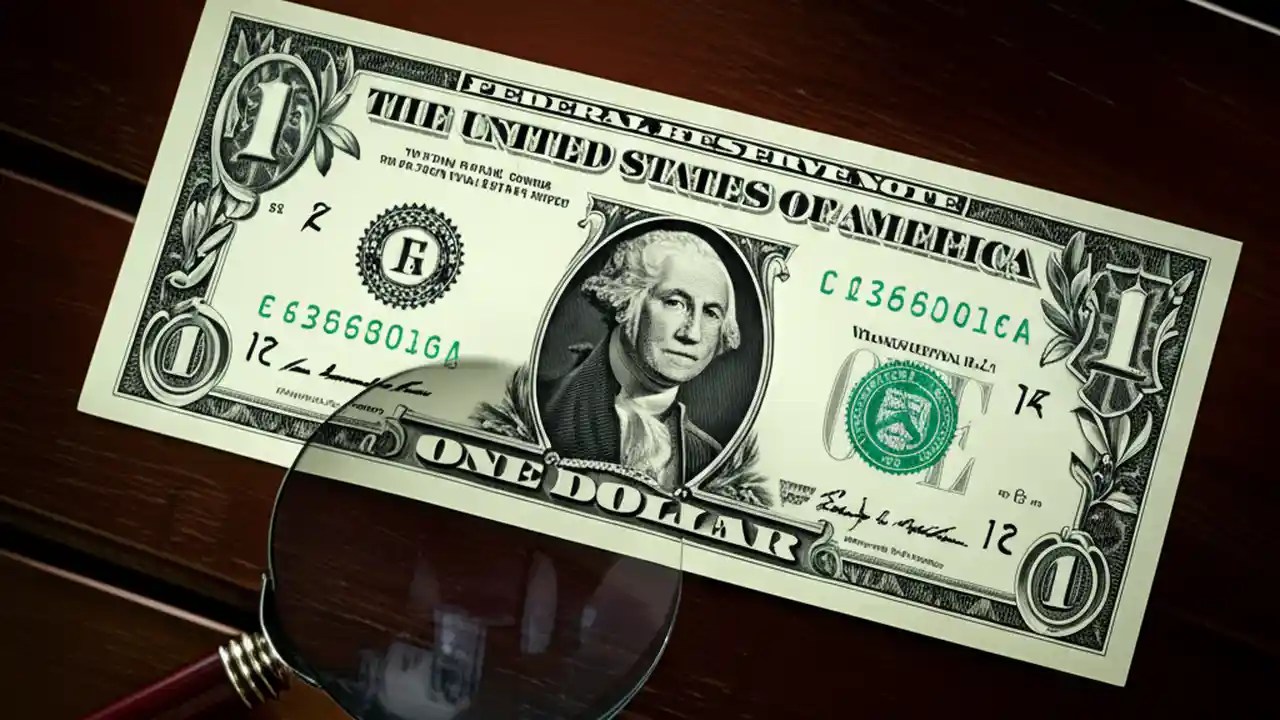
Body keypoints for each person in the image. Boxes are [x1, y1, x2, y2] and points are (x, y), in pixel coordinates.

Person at [538, 228, 742, 493]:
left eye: (711, 313)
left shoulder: (712, 460)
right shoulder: (541, 407)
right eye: (675, 303)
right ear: (625, 301)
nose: (691, 334)